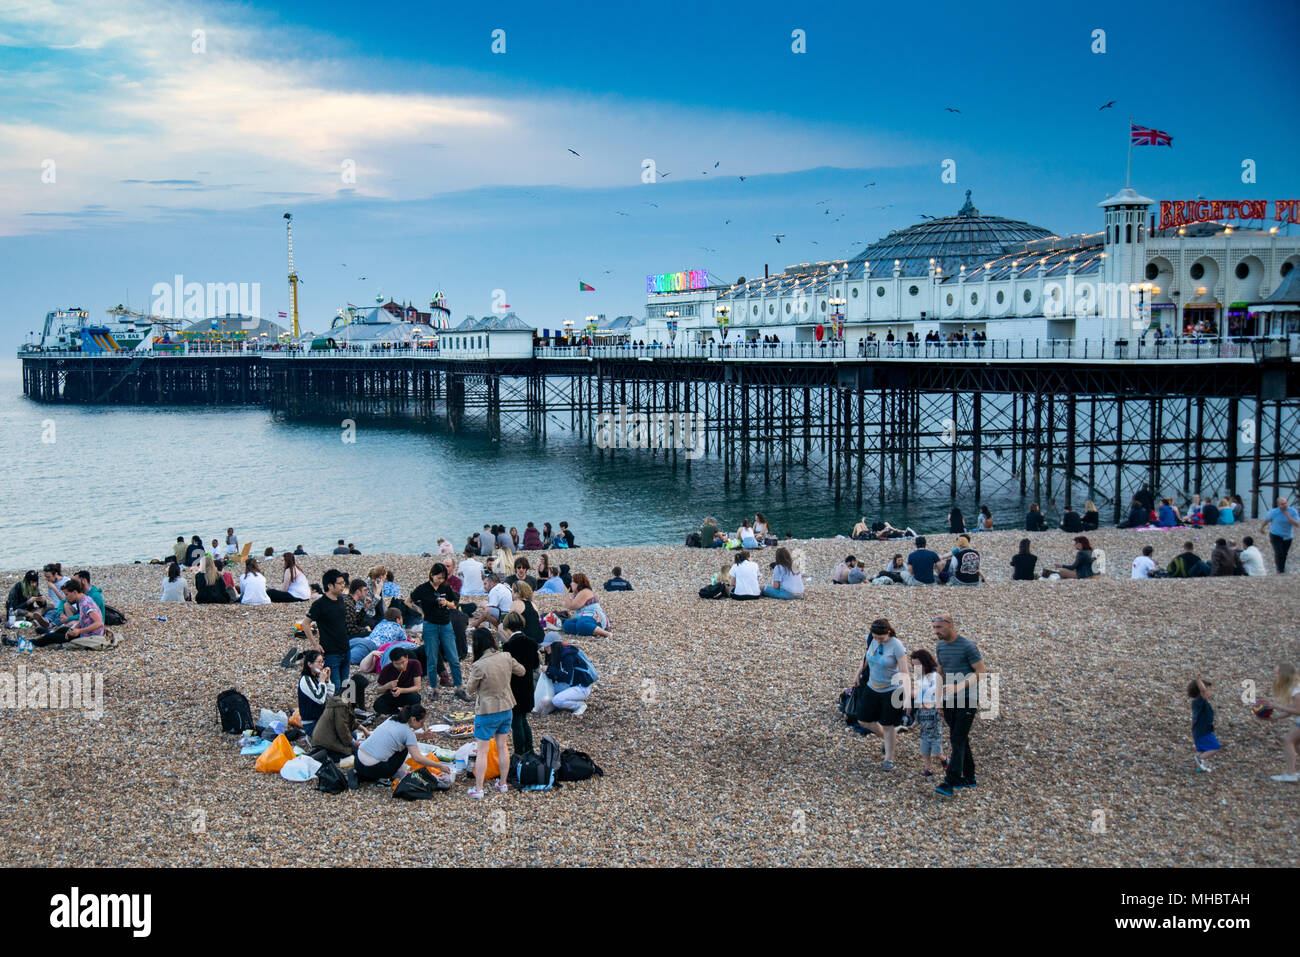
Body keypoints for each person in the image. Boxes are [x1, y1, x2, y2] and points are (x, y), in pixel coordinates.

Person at [464, 627, 525, 798]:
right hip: (506, 707)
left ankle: (479, 789)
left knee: (482, 751)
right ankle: (503, 783)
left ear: (476, 644)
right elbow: (521, 671)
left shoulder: (479, 665)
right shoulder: (506, 656)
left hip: (487, 711)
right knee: (503, 747)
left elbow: (469, 689)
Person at [932, 612, 987, 798]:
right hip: (949, 700)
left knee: (957, 738)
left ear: (950, 625)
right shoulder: (940, 646)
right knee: (960, 738)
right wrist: (939, 700)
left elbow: (981, 671)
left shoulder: (967, 646)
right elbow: (940, 672)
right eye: (934, 627)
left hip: (968, 699)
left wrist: (959, 686)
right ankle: (969, 777)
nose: (936, 631)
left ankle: (951, 781)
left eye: (939, 627)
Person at [851, 618, 910, 771]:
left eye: (881, 638)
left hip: (892, 690)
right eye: (875, 637)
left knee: (888, 724)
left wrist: (907, 696)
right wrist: (858, 674)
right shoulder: (873, 639)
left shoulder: (897, 646)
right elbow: (867, 658)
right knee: (863, 720)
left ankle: (889, 758)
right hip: (872, 686)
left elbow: (904, 672)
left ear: (888, 632)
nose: (877, 640)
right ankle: (888, 739)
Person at [410, 564, 470, 703]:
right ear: (432, 575)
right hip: (430, 625)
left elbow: (454, 604)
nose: (441, 580)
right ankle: (434, 689)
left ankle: (459, 688)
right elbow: (409, 601)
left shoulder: (445, 587)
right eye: (438, 577)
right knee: (432, 659)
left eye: (443, 578)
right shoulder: (423, 588)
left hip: (445, 624)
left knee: (453, 658)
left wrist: (446, 603)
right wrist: (421, 612)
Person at [354, 703, 449, 785]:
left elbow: (401, 735)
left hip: (358, 762)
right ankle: (398, 775)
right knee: (405, 749)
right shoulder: (408, 733)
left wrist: (422, 735)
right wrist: (439, 766)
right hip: (373, 768)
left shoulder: (392, 719)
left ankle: (363, 776)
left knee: (397, 746)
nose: (423, 726)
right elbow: (417, 758)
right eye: (422, 723)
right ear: (413, 719)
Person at [303, 569, 351, 693]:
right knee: (334, 688)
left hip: (346, 649)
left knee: (345, 685)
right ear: (330, 585)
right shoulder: (319, 604)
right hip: (331, 653)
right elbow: (305, 624)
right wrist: (315, 644)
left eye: (343, 583)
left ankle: (345, 705)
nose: (343, 586)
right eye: (340, 583)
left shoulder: (341, 600)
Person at [500, 613, 541, 756]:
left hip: (514, 687)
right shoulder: (531, 642)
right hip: (528, 686)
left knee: (516, 721)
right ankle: (529, 750)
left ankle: (519, 753)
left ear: (507, 627)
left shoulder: (508, 646)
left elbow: (506, 668)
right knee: (523, 719)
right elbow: (535, 664)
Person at [310, 676, 369, 760]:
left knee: (353, 735)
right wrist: (354, 743)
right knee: (356, 752)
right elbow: (342, 728)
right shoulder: (342, 705)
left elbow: (349, 720)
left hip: (328, 734)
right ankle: (327, 753)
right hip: (325, 741)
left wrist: (363, 729)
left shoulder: (342, 697)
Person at [538, 634, 598, 714]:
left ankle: (579, 705)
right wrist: (546, 671)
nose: (546, 648)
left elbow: (567, 676)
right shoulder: (557, 654)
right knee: (545, 692)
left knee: (557, 700)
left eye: (548, 646)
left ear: (555, 645)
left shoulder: (567, 655)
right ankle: (568, 699)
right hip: (570, 684)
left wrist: (549, 669)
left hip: (581, 687)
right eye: (545, 646)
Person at [1260, 663, 1300, 782]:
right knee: (1296, 745)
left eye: (1277, 673)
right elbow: (1290, 711)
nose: (1275, 675)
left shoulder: (1296, 691)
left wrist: (1277, 706)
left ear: (1284, 675)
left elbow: (1298, 711)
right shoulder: (1294, 687)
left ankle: (1291, 774)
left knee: (1288, 740)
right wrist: (1275, 718)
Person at [910, 648, 944, 778]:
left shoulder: (935, 676)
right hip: (923, 713)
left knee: (935, 748)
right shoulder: (920, 678)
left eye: (918, 665)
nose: (916, 668)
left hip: (934, 713)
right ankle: (927, 768)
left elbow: (934, 692)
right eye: (914, 666)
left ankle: (944, 758)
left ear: (926, 663)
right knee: (924, 745)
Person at [374, 646, 424, 715]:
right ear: (392, 662)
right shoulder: (387, 669)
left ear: (407, 657)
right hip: (392, 695)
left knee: (415, 698)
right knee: (378, 705)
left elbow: (417, 687)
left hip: (408, 693)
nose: (401, 666)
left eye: (403, 662)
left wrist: (401, 690)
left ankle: (409, 714)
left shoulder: (415, 664)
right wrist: (387, 686)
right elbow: (378, 690)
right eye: (397, 664)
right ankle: (397, 714)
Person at [297, 650, 332, 739]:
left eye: (322, 662)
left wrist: (327, 680)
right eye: (319, 662)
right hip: (311, 724)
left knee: (349, 733)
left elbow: (329, 697)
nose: (322, 665)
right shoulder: (305, 680)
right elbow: (320, 699)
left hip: (322, 719)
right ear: (310, 664)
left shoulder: (316, 677)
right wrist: (322, 681)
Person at [1188, 678, 1219, 773]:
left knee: (1202, 750)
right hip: (1203, 731)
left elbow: (1203, 691)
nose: (1208, 692)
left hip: (1198, 731)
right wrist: (1198, 680)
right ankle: (1199, 758)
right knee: (1214, 747)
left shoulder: (1197, 703)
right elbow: (1203, 690)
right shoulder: (1199, 701)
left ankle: (1200, 767)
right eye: (1207, 690)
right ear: (1200, 692)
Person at [1262, 496, 1300, 573]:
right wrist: (1261, 528)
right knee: (1279, 552)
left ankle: (1281, 568)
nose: (1284, 505)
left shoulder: (1293, 511)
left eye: (1285, 503)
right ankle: (1280, 570)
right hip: (1275, 534)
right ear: (1278, 505)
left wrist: (1289, 517)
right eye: (1282, 504)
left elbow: (1297, 524)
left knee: (1284, 553)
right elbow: (1266, 520)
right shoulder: (1273, 512)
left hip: (1288, 536)